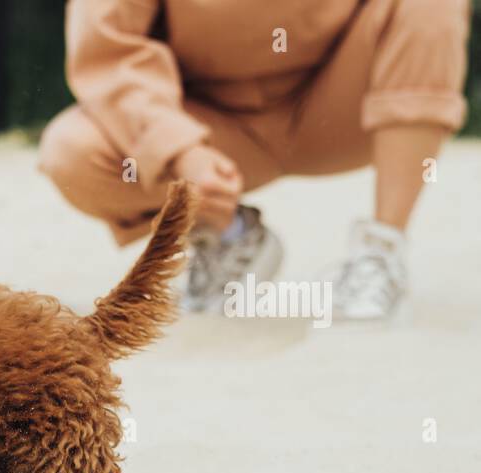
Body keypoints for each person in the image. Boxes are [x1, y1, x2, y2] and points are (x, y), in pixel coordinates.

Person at [38, 0, 471, 322]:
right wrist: (181, 149)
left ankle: (382, 251)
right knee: (73, 151)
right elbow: (111, 49)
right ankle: (229, 235)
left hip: (340, 105)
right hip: (211, 127)